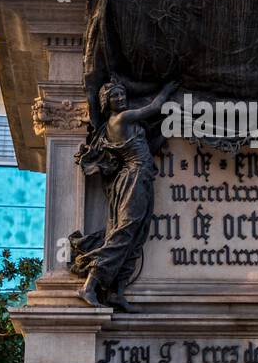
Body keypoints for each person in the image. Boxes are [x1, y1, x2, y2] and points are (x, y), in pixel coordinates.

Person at [69, 78, 178, 308]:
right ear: (106, 103)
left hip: (143, 178)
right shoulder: (121, 118)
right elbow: (153, 108)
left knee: (137, 236)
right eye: (114, 97)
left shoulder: (122, 120)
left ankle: (117, 292)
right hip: (134, 178)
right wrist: (168, 88)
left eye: (121, 94)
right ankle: (89, 285)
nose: (120, 99)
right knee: (125, 232)